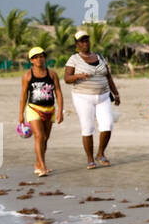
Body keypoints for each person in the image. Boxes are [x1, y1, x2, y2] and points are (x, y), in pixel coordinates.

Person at [64, 29, 120, 169]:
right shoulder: (74, 59)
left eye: (86, 40)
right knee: (88, 127)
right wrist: (78, 76)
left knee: (107, 125)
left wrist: (116, 93)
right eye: (81, 41)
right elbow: (67, 78)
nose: (85, 43)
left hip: (103, 95)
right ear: (77, 44)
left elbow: (108, 76)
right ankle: (90, 159)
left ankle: (100, 153)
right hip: (83, 96)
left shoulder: (100, 56)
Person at [18, 46, 63, 177]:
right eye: (36, 57)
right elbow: (23, 96)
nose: (39, 59)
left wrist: (60, 111)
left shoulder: (52, 74)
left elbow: (58, 93)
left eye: (41, 56)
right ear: (31, 60)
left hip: (50, 109)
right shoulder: (27, 76)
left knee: (45, 138)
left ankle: (38, 163)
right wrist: (21, 114)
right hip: (34, 109)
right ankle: (43, 166)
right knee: (39, 136)